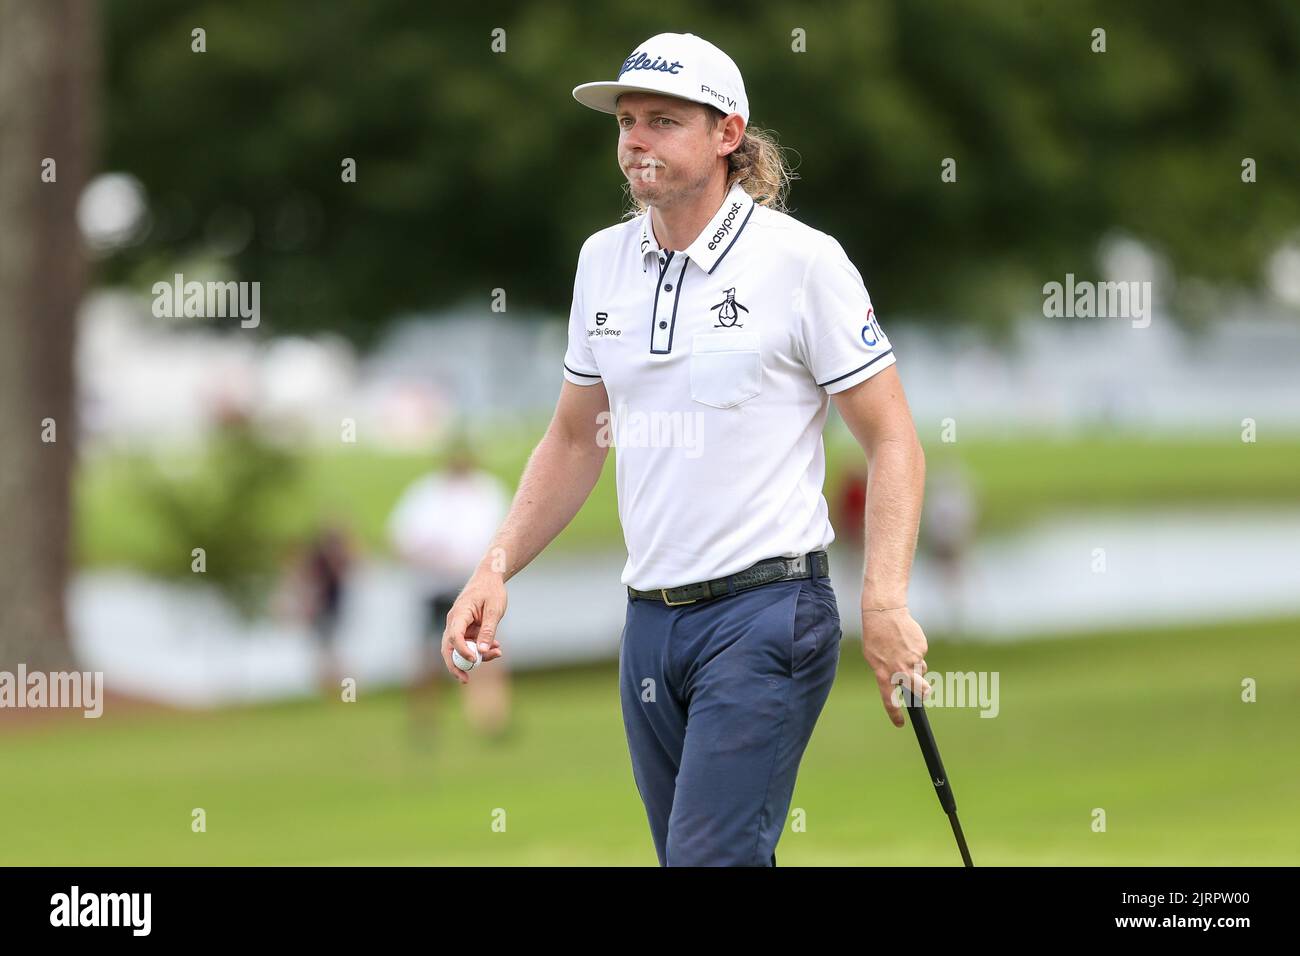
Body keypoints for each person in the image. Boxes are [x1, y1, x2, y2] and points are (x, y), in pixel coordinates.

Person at [443, 32, 930, 866]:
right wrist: (495, 565)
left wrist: (882, 602)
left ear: (727, 134)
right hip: (649, 627)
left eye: (663, 121)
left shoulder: (803, 263)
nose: (635, 141)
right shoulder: (601, 263)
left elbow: (894, 441)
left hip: (768, 612)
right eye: (627, 121)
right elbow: (572, 437)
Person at [388, 437, 512, 742]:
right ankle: (424, 722)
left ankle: (490, 719)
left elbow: (505, 540)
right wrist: (432, 557)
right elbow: (402, 541)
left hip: (474, 588)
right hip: (433, 588)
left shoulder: (488, 491)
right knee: (427, 658)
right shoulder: (425, 494)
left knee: (485, 652)